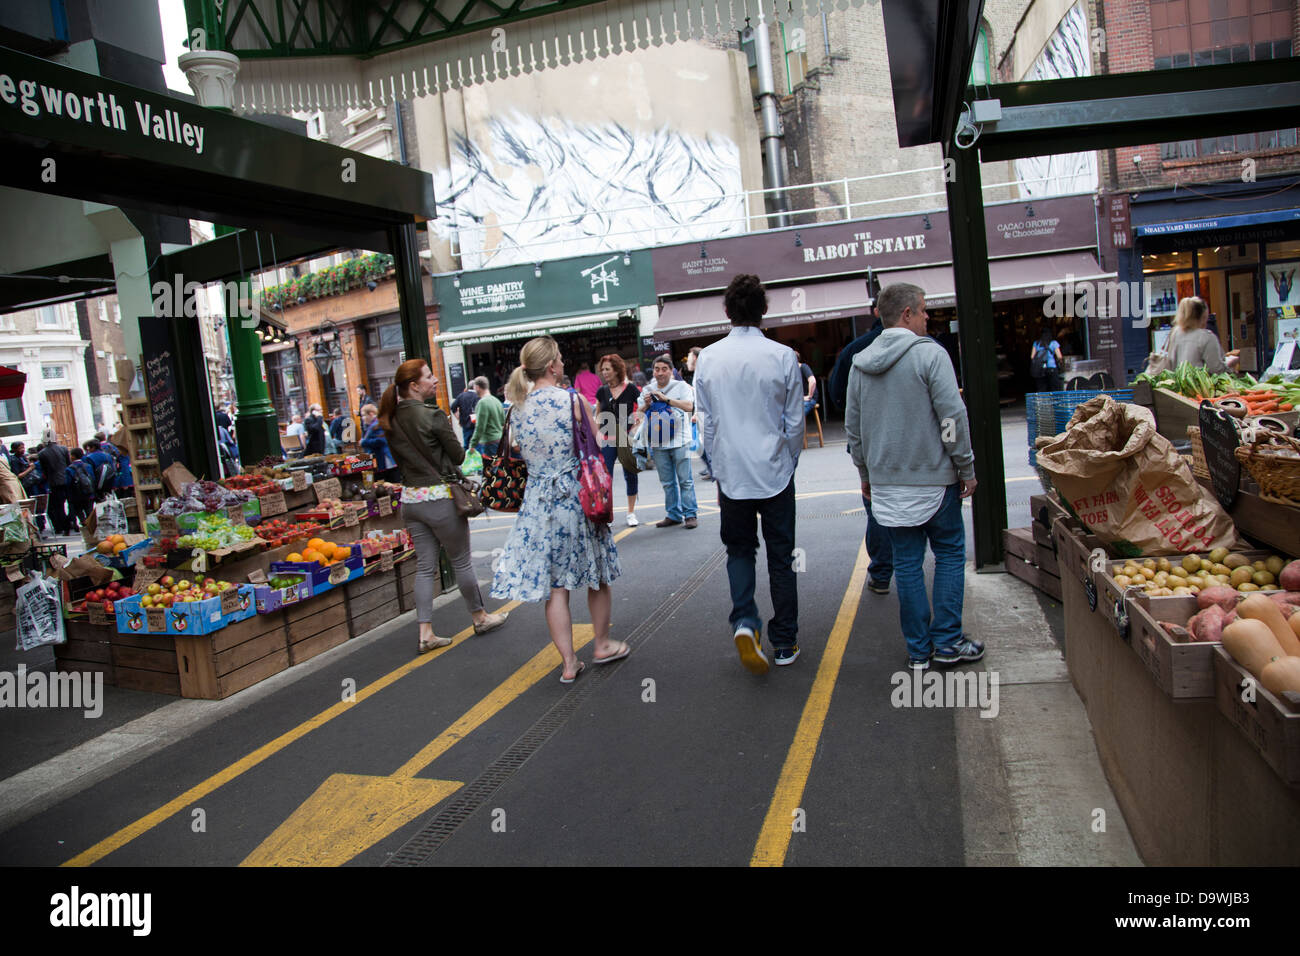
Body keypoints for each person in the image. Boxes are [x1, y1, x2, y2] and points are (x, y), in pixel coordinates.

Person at [845, 283, 981, 672]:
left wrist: (865, 473)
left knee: (906, 564)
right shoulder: (930, 355)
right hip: (935, 480)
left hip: (887, 484)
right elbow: (952, 419)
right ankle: (949, 643)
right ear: (906, 314)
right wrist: (965, 467)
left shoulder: (860, 362)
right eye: (923, 311)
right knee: (950, 554)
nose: (927, 318)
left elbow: (853, 429)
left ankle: (919, 651)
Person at [490, 337, 627, 683]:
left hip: (537, 503)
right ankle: (601, 644)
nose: (564, 363)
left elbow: (519, 449)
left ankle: (568, 664)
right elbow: (598, 441)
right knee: (596, 576)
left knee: (556, 588)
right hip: (576, 499)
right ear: (551, 366)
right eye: (561, 360)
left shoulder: (516, 407)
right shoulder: (572, 400)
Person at [695, 274, 804, 672]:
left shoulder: (707, 357)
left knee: (740, 550)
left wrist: (716, 464)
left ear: (727, 312)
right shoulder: (782, 355)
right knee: (782, 556)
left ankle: (744, 619)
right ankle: (786, 640)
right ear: (764, 310)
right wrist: (790, 460)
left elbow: (706, 422)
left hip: (733, 473)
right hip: (775, 471)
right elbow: (794, 422)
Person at [381, 359, 509, 653]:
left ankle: (425, 632)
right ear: (414, 385)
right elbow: (459, 456)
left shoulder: (390, 417)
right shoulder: (432, 415)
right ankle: (480, 616)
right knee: (461, 560)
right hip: (440, 498)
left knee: (425, 568)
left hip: (411, 500)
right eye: (428, 377)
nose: (435, 380)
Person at [828, 308, 893, 595]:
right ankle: (908, 566)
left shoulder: (855, 350)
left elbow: (838, 395)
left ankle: (881, 572)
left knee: (877, 509)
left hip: (869, 443)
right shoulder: (926, 347)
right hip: (915, 444)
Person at [635, 354, 698, 529]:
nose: (660, 373)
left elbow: (689, 406)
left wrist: (666, 399)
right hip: (658, 442)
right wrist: (647, 405)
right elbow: (638, 415)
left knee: (685, 480)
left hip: (681, 440)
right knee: (667, 482)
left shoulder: (681, 386)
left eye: (664, 369)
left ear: (671, 371)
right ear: (653, 371)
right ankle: (674, 514)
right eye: (657, 369)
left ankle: (690, 514)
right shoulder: (647, 389)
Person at [595, 353, 641, 527]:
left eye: (607, 369)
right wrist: (596, 435)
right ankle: (608, 513)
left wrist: (637, 425)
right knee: (606, 478)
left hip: (625, 438)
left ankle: (631, 513)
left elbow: (641, 409)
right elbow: (598, 415)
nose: (604, 372)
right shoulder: (602, 391)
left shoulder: (631, 389)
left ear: (616, 370)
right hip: (607, 438)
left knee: (630, 474)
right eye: (602, 369)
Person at [1164, 296, 1234, 373]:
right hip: (1199, 383)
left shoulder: (1175, 333)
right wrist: (1231, 364)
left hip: (1178, 382)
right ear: (1204, 316)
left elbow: (1171, 362)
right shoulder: (1207, 337)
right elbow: (1216, 369)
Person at [37, 432, 72, 534]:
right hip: (66, 479)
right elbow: (68, 463)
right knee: (71, 503)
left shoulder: (42, 453)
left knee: (58, 506)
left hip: (54, 482)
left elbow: (45, 470)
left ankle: (64, 526)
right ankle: (71, 522)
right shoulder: (63, 449)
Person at [360, 403, 399, 483]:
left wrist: (364, 442)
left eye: (363, 415)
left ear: (371, 414)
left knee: (391, 482)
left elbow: (381, 440)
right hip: (382, 460)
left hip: (385, 460)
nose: (363, 418)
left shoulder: (378, 424)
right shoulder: (375, 424)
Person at [470, 376, 504, 458]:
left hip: (489, 442)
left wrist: (472, 444)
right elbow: (503, 422)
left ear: (478, 387)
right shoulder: (497, 401)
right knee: (499, 468)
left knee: (490, 469)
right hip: (500, 440)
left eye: (474, 387)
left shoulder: (482, 403)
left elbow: (480, 427)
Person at [65, 447, 94, 529]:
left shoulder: (69, 469)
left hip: (76, 495)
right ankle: (91, 525)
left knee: (79, 510)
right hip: (88, 493)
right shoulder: (88, 466)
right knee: (89, 510)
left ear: (73, 456)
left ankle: (83, 522)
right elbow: (92, 478)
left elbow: (67, 482)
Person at [1030, 327, 1064, 392]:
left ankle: (1043, 401)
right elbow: (1059, 356)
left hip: (1040, 368)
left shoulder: (1036, 343)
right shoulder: (1053, 343)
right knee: (1054, 387)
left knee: (1042, 388)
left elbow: (1032, 357)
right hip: (1052, 368)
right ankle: (1054, 401)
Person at [795, 350, 818, 417]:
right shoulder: (791, 370)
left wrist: (809, 396)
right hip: (799, 399)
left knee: (797, 416)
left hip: (808, 399)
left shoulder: (803, 367)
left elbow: (812, 381)